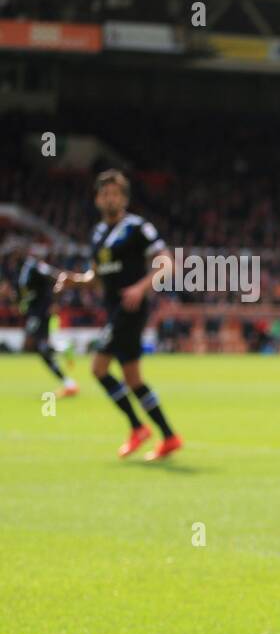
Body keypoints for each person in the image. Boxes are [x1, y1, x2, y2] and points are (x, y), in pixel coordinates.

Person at [55, 170, 182, 460]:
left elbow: (167, 264)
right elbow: (98, 277)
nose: (110, 198)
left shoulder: (138, 227)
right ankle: (169, 436)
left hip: (130, 309)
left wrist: (140, 288)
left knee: (98, 369)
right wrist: (76, 280)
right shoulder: (97, 233)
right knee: (133, 379)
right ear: (98, 199)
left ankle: (138, 427)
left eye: (116, 193)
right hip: (113, 308)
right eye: (105, 194)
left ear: (124, 198)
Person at [18, 255, 78, 396]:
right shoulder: (24, 270)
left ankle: (68, 383)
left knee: (34, 345)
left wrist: (55, 302)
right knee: (36, 347)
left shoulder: (34, 266)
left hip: (41, 313)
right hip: (35, 312)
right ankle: (63, 351)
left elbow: (55, 276)